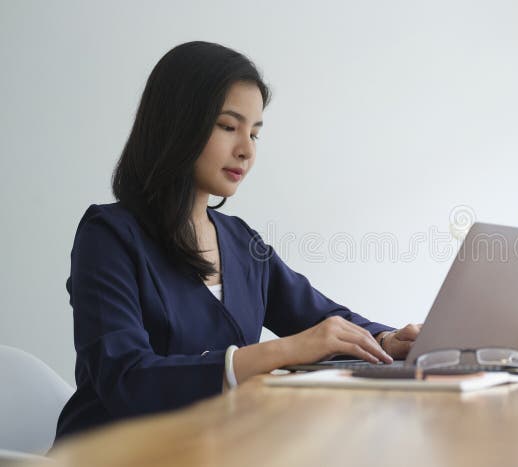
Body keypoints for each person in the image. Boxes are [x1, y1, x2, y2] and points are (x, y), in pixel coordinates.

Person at [55, 41, 421, 440]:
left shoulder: (241, 242)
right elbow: (127, 378)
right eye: (228, 127)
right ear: (177, 124)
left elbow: (322, 320)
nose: (245, 150)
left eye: (255, 133)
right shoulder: (108, 236)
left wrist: (387, 342)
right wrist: (281, 351)